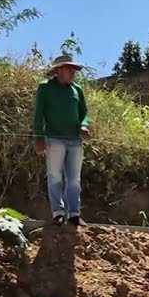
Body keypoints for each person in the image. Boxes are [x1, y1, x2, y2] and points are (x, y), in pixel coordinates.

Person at [33, 53, 91, 226]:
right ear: (58, 71)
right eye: (69, 68)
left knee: (74, 180)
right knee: (55, 176)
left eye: (74, 69)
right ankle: (58, 212)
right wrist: (38, 137)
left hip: (75, 140)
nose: (73, 72)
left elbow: (84, 113)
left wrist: (84, 125)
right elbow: (38, 114)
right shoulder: (45, 88)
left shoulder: (77, 89)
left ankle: (74, 214)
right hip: (54, 138)